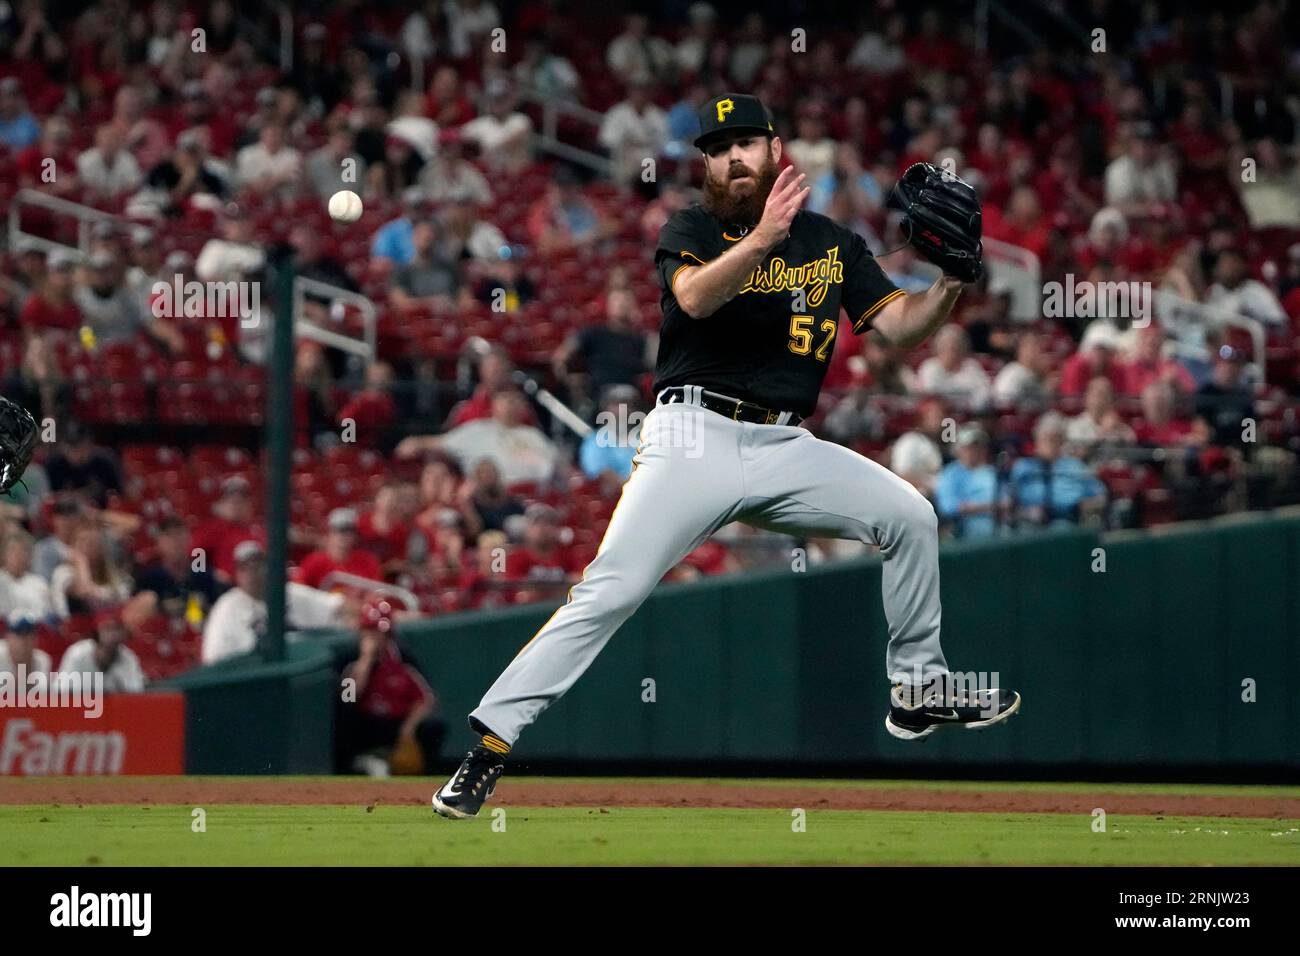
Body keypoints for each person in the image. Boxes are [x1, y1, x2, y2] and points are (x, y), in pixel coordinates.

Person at [432, 93, 1020, 820]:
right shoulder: (692, 228)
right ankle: (488, 749)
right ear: (706, 164)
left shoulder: (832, 241)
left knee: (910, 514)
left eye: (746, 143)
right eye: (719, 148)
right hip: (690, 437)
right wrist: (761, 240)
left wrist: (953, 283)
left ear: (775, 151)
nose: (733, 157)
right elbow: (695, 299)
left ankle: (917, 689)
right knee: (611, 590)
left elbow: (900, 328)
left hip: (784, 441)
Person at [337, 596, 446, 776]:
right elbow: (348, 698)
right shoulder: (350, 656)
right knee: (343, 719)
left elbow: (427, 698)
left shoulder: (402, 657)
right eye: (371, 631)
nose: (378, 637)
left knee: (434, 726)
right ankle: (352, 767)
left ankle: (422, 777)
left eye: (381, 633)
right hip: (364, 723)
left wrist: (408, 728)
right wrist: (365, 660)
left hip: (396, 722)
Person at [202, 541, 350, 664]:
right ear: (237, 574)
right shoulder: (226, 607)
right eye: (245, 568)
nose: (253, 573)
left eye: (258, 566)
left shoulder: (288, 592)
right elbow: (213, 659)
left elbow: (339, 607)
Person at [397, 387, 559, 487]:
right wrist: (415, 442)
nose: (511, 405)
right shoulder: (477, 429)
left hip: (534, 498)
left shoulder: (534, 435)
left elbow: (555, 465)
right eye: (506, 400)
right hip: (488, 496)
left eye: (516, 401)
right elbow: (439, 442)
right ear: (494, 405)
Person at [1006, 412, 1107, 528]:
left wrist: (1082, 507)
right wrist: (1025, 512)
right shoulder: (1024, 467)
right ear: (1036, 441)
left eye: (1055, 439)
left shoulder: (1076, 466)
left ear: (1062, 442)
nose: (1050, 444)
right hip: (1029, 521)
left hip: (1070, 520)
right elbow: (1009, 499)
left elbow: (1101, 497)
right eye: (1045, 438)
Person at [133, 515, 224, 626]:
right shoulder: (149, 580)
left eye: (179, 534)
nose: (175, 541)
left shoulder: (203, 575)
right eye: (169, 536)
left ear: (189, 539)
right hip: (163, 636)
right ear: (159, 543)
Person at [57, 609, 146, 694]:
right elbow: (61, 691)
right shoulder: (77, 653)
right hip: (78, 706)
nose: (113, 634)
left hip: (115, 708)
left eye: (117, 628)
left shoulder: (128, 658)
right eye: (107, 628)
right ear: (97, 631)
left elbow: (136, 694)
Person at [934, 425, 1000, 539]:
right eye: (970, 447)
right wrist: (986, 507)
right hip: (963, 533)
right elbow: (947, 507)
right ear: (959, 450)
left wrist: (976, 507)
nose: (974, 451)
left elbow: (1006, 500)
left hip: (997, 531)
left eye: (978, 447)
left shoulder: (992, 471)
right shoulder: (950, 474)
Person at [293, 508, 383, 590]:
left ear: (355, 537)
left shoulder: (367, 561)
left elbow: (376, 592)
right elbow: (298, 589)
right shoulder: (314, 561)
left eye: (349, 532)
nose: (343, 537)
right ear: (329, 534)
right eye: (338, 531)